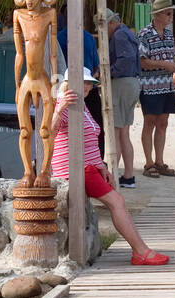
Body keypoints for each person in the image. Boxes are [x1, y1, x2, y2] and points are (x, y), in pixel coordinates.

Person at [50, 69, 168, 266]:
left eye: (89, 83)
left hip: (89, 167)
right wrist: (60, 107)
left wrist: (101, 166)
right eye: (83, 82)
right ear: (69, 83)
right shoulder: (64, 103)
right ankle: (140, 251)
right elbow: (49, 132)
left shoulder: (82, 105)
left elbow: (89, 142)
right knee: (117, 202)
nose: (87, 86)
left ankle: (140, 250)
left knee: (118, 202)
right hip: (74, 168)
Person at [138, 0, 175, 178]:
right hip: (149, 85)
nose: (170, 18)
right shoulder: (144, 34)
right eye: (168, 14)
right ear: (157, 15)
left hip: (166, 85)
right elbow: (142, 62)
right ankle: (148, 163)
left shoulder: (170, 34)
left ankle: (160, 160)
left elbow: (171, 56)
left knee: (163, 122)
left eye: (171, 14)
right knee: (150, 122)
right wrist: (167, 65)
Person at [56, 6, 103, 160]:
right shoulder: (88, 37)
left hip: (67, 88)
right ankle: (98, 160)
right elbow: (97, 67)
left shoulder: (58, 39)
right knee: (95, 127)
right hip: (87, 86)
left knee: (66, 130)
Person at [106, 9, 142, 187]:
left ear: (111, 22)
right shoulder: (127, 33)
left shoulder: (119, 36)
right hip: (132, 82)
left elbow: (124, 60)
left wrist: (107, 73)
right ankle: (128, 176)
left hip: (121, 83)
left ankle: (113, 176)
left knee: (116, 132)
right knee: (124, 134)